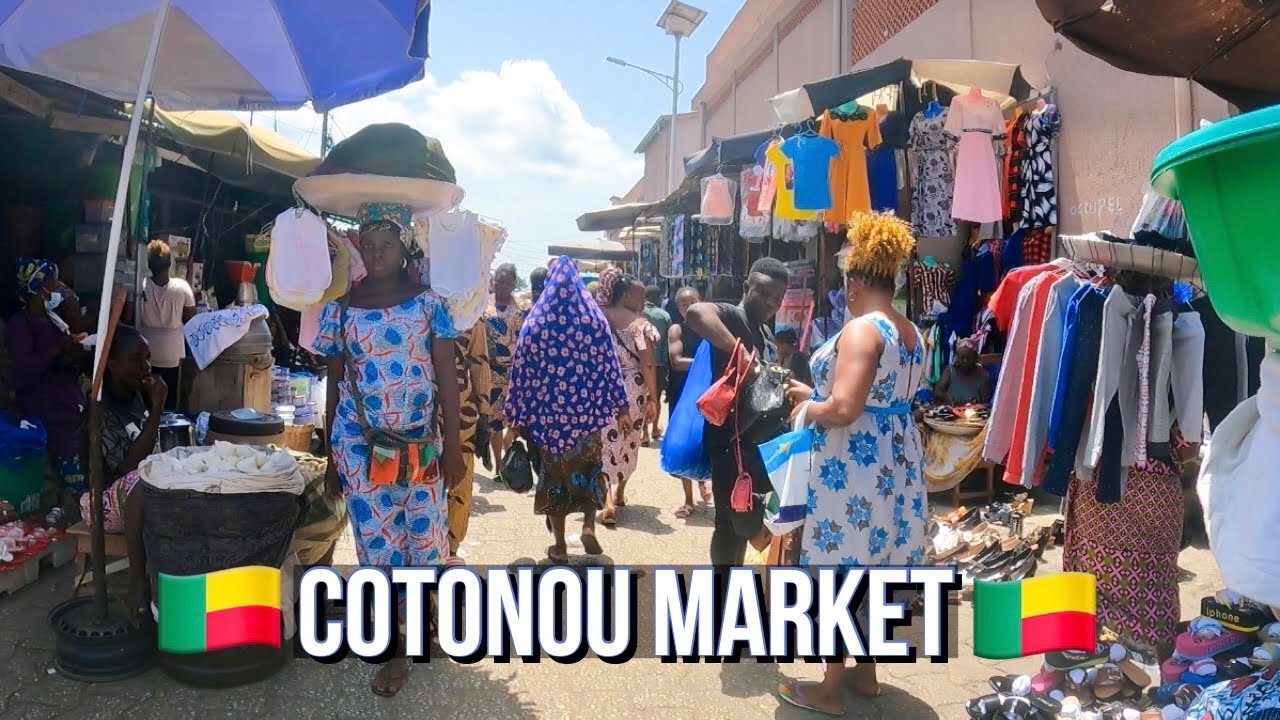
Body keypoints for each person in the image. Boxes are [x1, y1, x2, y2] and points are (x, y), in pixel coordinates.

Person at [776, 211, 927, 716]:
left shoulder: (863, 329)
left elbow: (844, 409)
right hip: (896, 464)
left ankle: (829, 689)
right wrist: (816, 392)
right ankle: (867, 676)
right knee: (884, 558)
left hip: (854, 469)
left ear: (856, 281)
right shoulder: (912, 332)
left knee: (843, 562)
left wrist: (805, 406)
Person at [314, 201, 465, 697]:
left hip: (419, 441)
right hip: (359, 446)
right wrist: (330, 455)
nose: (376, 255)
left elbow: (446, 374)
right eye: (369, 246)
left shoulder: (429, 304)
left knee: (422, 540)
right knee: (378, 547)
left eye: (386, 246)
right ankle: (397, 645)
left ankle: (419, 621)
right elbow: (333, 380)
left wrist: (455, 448)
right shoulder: (341, 308)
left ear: (404, 248)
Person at [505, 257, 630, 563]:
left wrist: (513, 415)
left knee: (555, 481)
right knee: (589, 472)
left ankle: (560, 546)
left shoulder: (535, 323)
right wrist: (622, 406)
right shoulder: (594, 322)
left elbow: (520, 372)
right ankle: (588, 525)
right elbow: (610, 367)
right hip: (586, 421)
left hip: (547, 424)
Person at [685, 257, 789, 565]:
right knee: (729, 524)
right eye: (765, 293)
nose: (772, 302)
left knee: (746, 518)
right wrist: (739, 354)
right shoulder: (732, 316)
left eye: (778, 298)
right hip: (728, 443)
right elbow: (696, 313)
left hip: (755, 446)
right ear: (747, 287)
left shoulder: (767, 333)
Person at [84, 325, 163, 614]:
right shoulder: (101, 407)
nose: (145, 366)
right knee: (141, 482)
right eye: (135, 359)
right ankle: (137, 581)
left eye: (147, 358)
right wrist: (156, 411)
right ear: (113, 364)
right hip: (101, 501)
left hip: (136, 490)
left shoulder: (135, 395)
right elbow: (127, 468)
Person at [5, 258, 87, 513]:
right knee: (65, 472)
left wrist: (74, 348)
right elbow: (23, 369)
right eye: (53, 282)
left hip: (68, 404)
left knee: (76, 468)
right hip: (45, 408)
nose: (59, 288)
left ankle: (69, 517)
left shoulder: (54, 319)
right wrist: (59, 349)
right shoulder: (20, 325)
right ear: (39, 288)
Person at [596, 268, 660, 525]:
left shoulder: (597, 318)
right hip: (632, 390)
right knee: (629, 440)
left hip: (602, 388)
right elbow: (647, 365)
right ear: (624, 297)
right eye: (638, 297)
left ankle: (607, 497)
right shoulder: (640, 326)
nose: (642, 302)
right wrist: (654, 397)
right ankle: (618, 492)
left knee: (603, 442)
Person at [440, 320, 491, 555]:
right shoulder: (412, 302)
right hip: (417, 410)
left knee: (459, 482)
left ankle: (450, 548)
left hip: (463, 413)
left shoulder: (471, 315)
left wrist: (484, 416)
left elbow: (479, 363)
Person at [666, 285, 712, 517]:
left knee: (705, 439)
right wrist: (706, 364)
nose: (688, 307)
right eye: (683, 304)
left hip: (706, 393)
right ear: (678, 307)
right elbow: (677, 361)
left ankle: (703, 480)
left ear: (701, 301)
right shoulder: (676, 330)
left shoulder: (711, 329)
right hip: (682, 393)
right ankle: (688, 499)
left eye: (692, 302)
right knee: (684, 443)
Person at [136, 240, 195, 411]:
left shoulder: (141, 285)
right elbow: (190, 318)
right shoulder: (182, 287)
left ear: (149, 264)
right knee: (170, 402)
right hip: (174, 353)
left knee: (147, 401)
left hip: (147, 351)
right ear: (170, 263)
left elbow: (130, 314)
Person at [484, 263, 530, 477]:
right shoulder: (484, 304)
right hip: (491, 371)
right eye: (499, 281)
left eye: (507, 283)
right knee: (494, 420)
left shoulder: (521, 308)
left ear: (514, 284)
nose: (502, 286)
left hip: (514, 371)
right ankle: (499, 464)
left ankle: (509, 439)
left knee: (515, 416)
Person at [640, 284, 672, 445]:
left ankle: (644, 433)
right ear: (659, 298)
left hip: (640, 363)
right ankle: (654, 429)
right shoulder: (664, 315)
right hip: (659, 364)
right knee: (655, 397)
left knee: (643, 398)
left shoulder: (637, 314)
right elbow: (668, 342)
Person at [933, 337, 991, 404]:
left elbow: (985, 402)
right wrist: (946, 398)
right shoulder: (950, 371)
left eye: (969, 358)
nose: (965, 361)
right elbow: (938, 390)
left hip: (972, 413)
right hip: (950, 412)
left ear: (976, 358)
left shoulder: (983, 375)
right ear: (956, 358)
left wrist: (976, 404)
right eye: (962, 358)